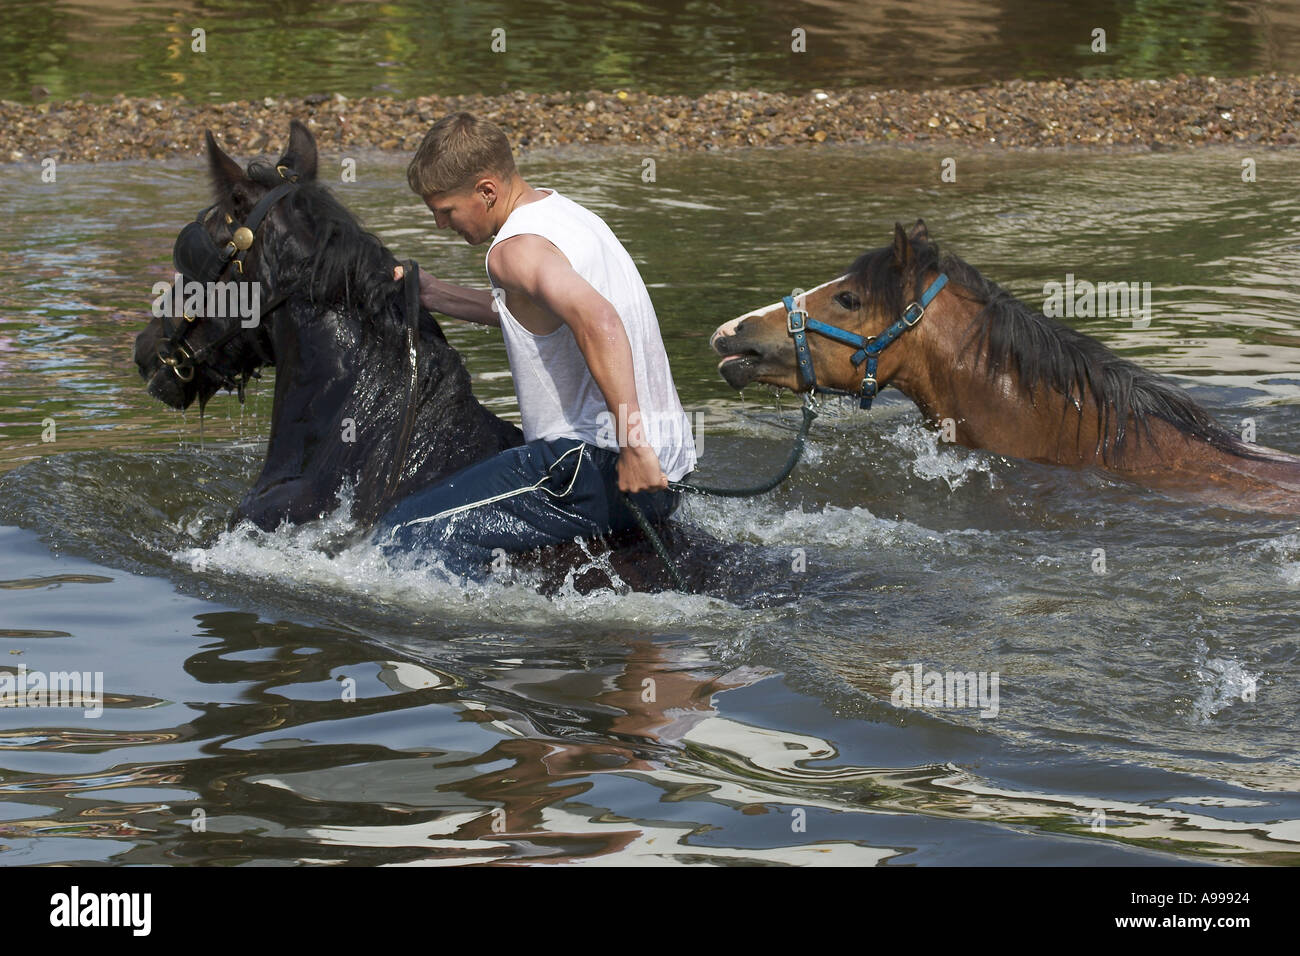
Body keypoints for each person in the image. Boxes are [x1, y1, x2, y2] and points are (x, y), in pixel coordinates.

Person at [375, 112, 697, 577]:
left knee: (402, 535)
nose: (442, 225)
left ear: (486, 191)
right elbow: (533, 311)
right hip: (673, 463)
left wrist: (633, 447)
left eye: (445, 211)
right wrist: (434, 293)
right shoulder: (566, 214)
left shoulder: (513, 250)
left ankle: (490, 645)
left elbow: (598, 318)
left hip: (598, 463)